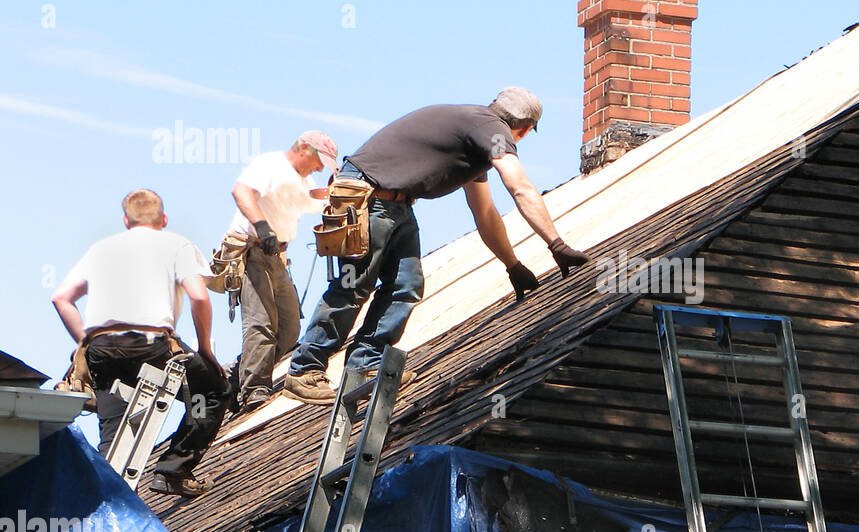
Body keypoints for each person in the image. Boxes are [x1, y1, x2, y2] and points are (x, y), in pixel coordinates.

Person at [285, 87, 589, 403]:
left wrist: (512, 265)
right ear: (525, 129)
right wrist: (556, 244)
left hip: (393, 204)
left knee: (406, 284)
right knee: (354, 286)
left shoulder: (474, 134)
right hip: (367, 200)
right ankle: (304, 370)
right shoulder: (492, 131)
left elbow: (484, 212)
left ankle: (366, 361)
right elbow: (520, 187)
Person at [51, 190, 230, 497]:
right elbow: (199, 296)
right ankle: (175, 469)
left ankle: (102, 502)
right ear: (164, 219)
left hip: (104, 352)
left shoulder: (101, 249)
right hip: (150, 346)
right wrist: (205, 349)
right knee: (212, 390)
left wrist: (85, 341)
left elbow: (61, 297)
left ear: (126, 221)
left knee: (115, 435)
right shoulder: (176, 244)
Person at [225, 131, 338, 412]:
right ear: (302, 147)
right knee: (260, 322)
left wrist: (335, 192)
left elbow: (314, 199)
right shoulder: (271, 165)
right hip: (252, 250)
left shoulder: (302, 181)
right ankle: (253, 389)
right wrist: (262, 227)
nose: (320, 167)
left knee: (289, 328)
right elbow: (241, 191)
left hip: (276, 256)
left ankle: (236, 374)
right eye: (318, 160)